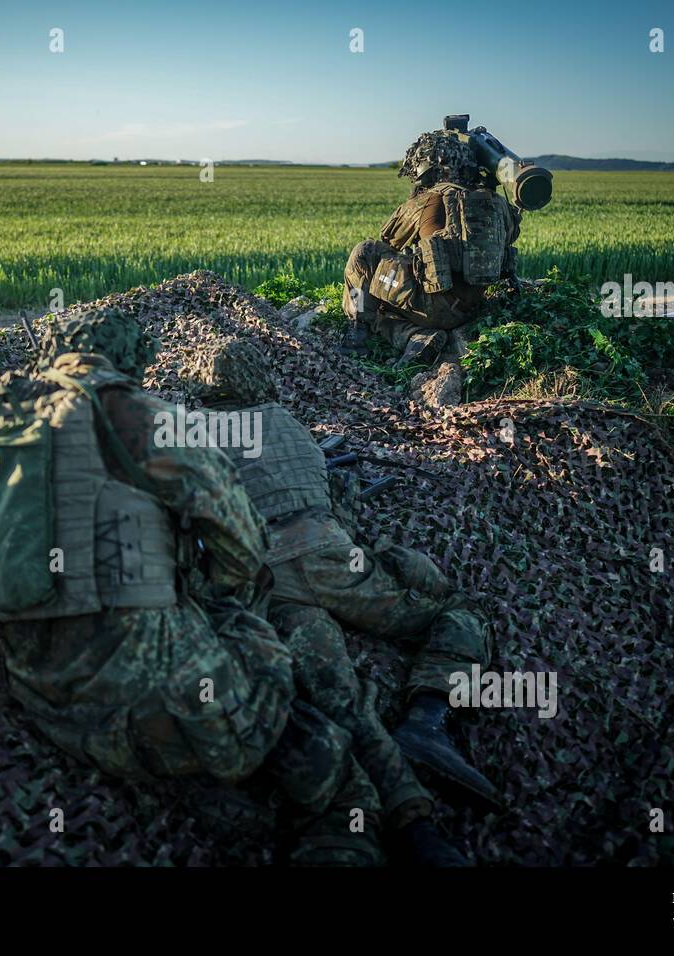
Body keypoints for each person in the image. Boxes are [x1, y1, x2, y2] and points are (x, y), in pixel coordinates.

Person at [0, 306, 395, 865]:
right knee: (328, 765)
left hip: (41, 691)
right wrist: (213, 601)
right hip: (157, 696)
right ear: (132, 361)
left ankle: (216, 789)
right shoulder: (151, 418)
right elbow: (241, 542)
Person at [185, 338, 499, 818]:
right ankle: (427, 719)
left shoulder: (188, 439)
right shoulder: (289, 425)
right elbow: (336, 514)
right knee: (459, 613)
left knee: (337, 692)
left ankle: (399, 807)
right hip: (333, 563)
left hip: (264, 583)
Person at [341, 122, 522, 364]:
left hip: (430, 307)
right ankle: (419, 338)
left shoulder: (428, 200)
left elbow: (388, 240)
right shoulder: (497, 204)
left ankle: (361, 333)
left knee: (365, 253)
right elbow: (510, 237)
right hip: (470, 309)